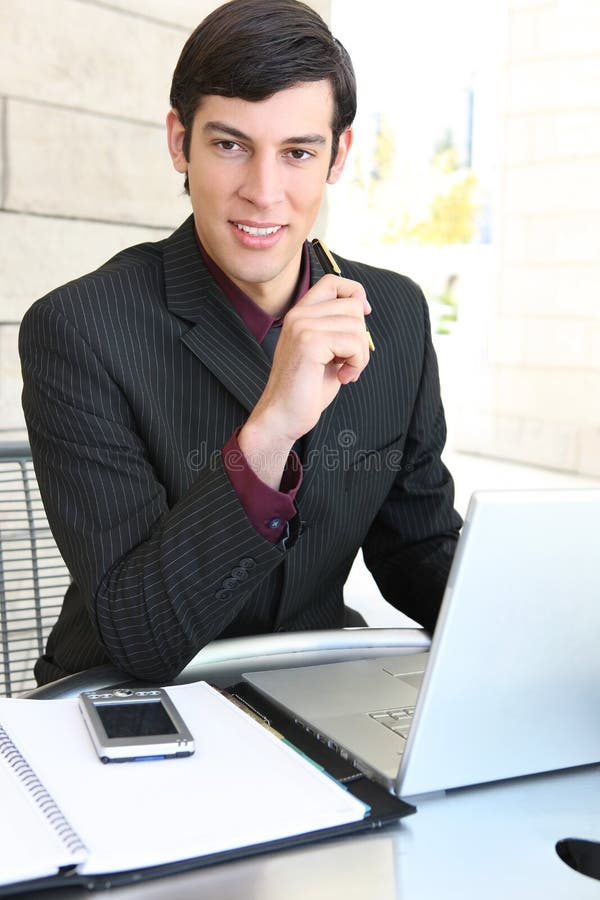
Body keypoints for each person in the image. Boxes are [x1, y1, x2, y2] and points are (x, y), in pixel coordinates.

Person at [19, 0, 462, 686]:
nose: (263, 192)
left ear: (337, 156)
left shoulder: (394, 312)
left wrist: (542, 631)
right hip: (127, 699)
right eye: (230, 145)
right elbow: (139, 633)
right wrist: (273, 428)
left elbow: (418, 547)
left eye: (297, 153)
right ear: (179, 143)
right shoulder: (78, 329)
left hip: (308, 691)